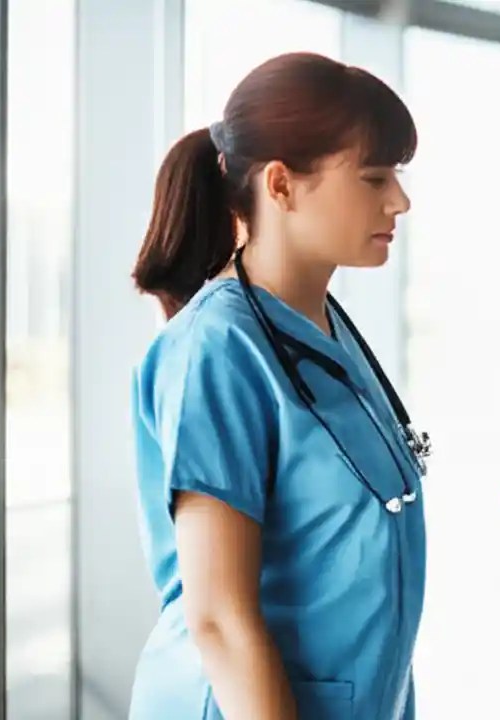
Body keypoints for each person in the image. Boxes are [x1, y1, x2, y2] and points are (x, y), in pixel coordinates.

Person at [128, 52, 429, 719]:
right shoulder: (219, 348)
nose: (400, 200)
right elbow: (219, 619)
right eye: (374, 176)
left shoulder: (324, 333)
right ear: (281, 185)